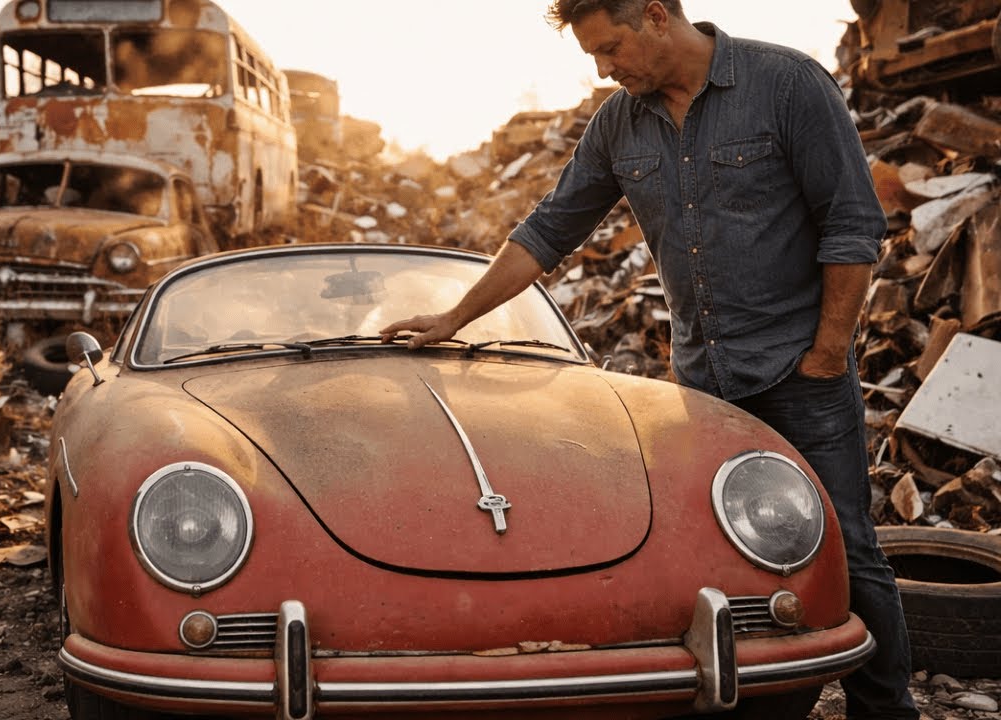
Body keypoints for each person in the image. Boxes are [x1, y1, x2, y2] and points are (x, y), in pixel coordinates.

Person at [380, 1, 919, 718]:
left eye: (610, 48)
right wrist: (454, 317)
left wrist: (827, 354)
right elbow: (550, 229)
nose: (604, 69)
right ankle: (758, 696)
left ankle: (886, 709)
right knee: (717, 552)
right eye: (594, 58)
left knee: (846, 545)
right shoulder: (618, 123)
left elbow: (852, 223)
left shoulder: (786, 84)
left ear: (657, 16)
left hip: (801, 377)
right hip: (703, 388)